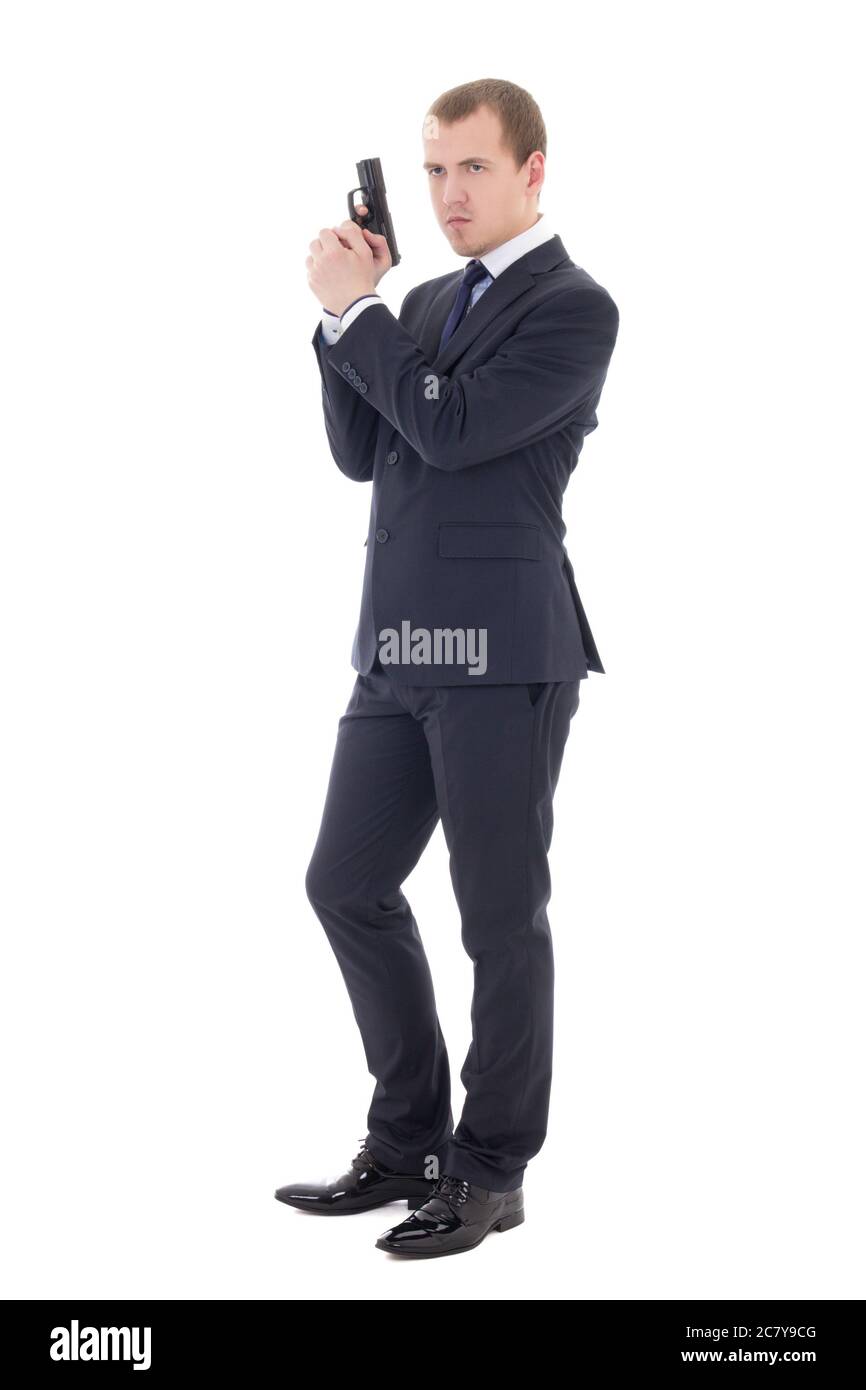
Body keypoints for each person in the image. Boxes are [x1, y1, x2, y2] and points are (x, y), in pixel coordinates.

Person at [275, 77, 619, 1258]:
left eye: (470, 168)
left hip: (502, 651)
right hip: (397, 645)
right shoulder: (417, 298)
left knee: (497, 919)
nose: (446, 194)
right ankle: (411, 1138)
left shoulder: (575, 308)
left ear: (531, 171)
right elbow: (366, 448)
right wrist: (342, 323)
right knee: (344, 883)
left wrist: (361, 314)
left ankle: (490, 1168)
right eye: (432, 172)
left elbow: (456, 429)